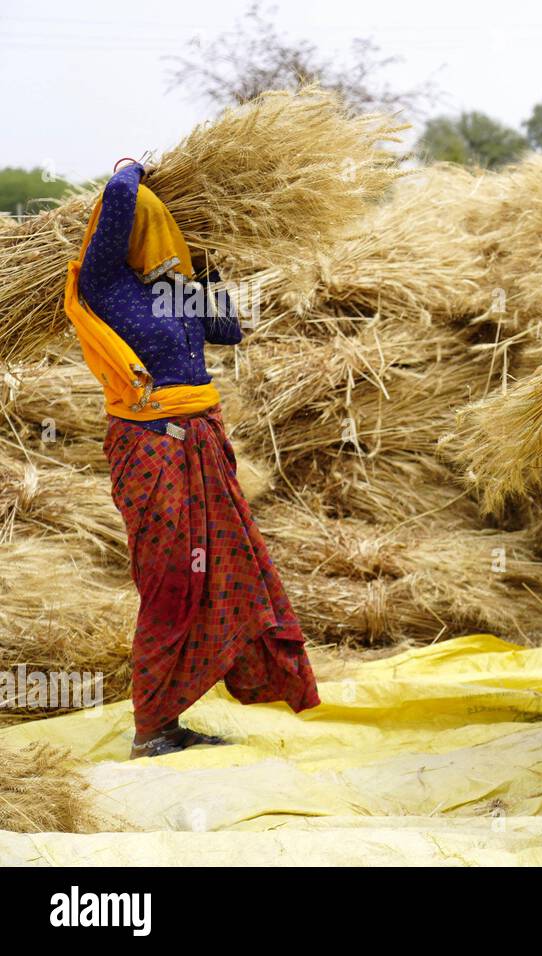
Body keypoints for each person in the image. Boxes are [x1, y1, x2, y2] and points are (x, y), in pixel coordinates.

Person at [65, 160, 319, 759]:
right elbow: (118, 197)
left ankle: (172, 720)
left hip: (202, 441)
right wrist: (132, 170)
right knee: (169, 580)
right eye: (154, 231)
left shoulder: (174, 292)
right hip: (150, 449)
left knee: (225, 572)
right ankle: (152, 729)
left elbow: (229, 329)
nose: (162, 244)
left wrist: (205, 264)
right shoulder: (105, 284)